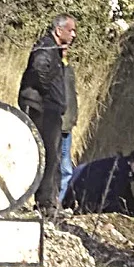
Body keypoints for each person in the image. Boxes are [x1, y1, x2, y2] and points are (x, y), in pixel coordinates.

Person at [17, 14, 76, 214]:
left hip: (48, 109)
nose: (74, 35)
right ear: (59, 30)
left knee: (54, 156)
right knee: (48, 155)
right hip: (42, 109)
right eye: (71, 30)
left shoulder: (56, 50)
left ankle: (49, 201)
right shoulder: (46, 46)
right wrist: (48, 94)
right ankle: (45, 203)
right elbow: (39, 69)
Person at [62, 149, 134, 218]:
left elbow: (127, 197)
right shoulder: (120, 170)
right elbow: (114, 197)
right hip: (79, 195)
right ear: (132, 161)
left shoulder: (119, 166)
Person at [57, 51, 79, 202]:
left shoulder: (67, 68)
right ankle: (52, 202)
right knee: (60, 166)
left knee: (65, 168)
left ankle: (59, 202)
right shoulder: (54, 67)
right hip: (56, 123)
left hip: (67, 125)